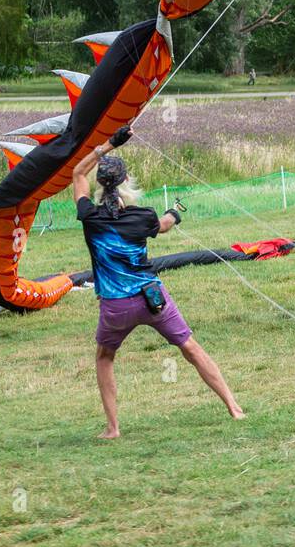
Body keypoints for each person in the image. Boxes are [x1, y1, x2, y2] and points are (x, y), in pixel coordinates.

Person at [72, 126, 244, 438]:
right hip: (152, 299)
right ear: (127, 183)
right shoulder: (143, 216)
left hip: (115, 307)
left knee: (104, 358)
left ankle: (113, 429)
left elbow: (76, 173)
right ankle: (234, 407)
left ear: (100, 185)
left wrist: (110, 143)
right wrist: (176, 213)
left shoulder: (90, 216)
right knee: (189, 347)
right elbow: (164, 225)